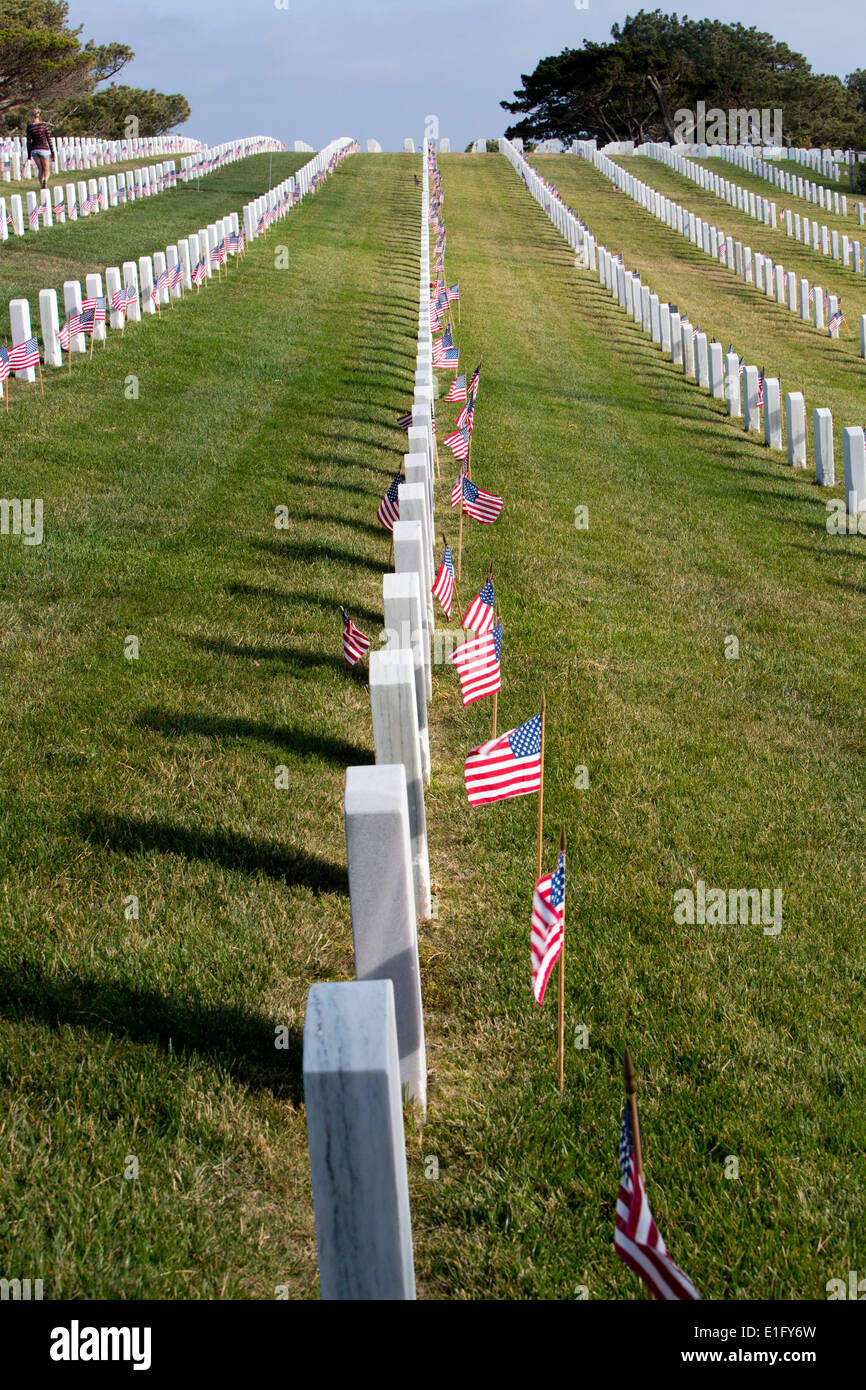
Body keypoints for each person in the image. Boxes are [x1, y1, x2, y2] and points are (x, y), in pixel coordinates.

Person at [26, 109, 56, 190]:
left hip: (35, 149)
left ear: (32, 117)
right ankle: (45, 180)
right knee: (46, 169)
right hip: (44, 149)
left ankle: (42, 185)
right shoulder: (44, 126)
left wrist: (29, 156)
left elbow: (28, 142)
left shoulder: (30, 127)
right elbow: (49, 139)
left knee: (40, 169)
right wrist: (53, 152)